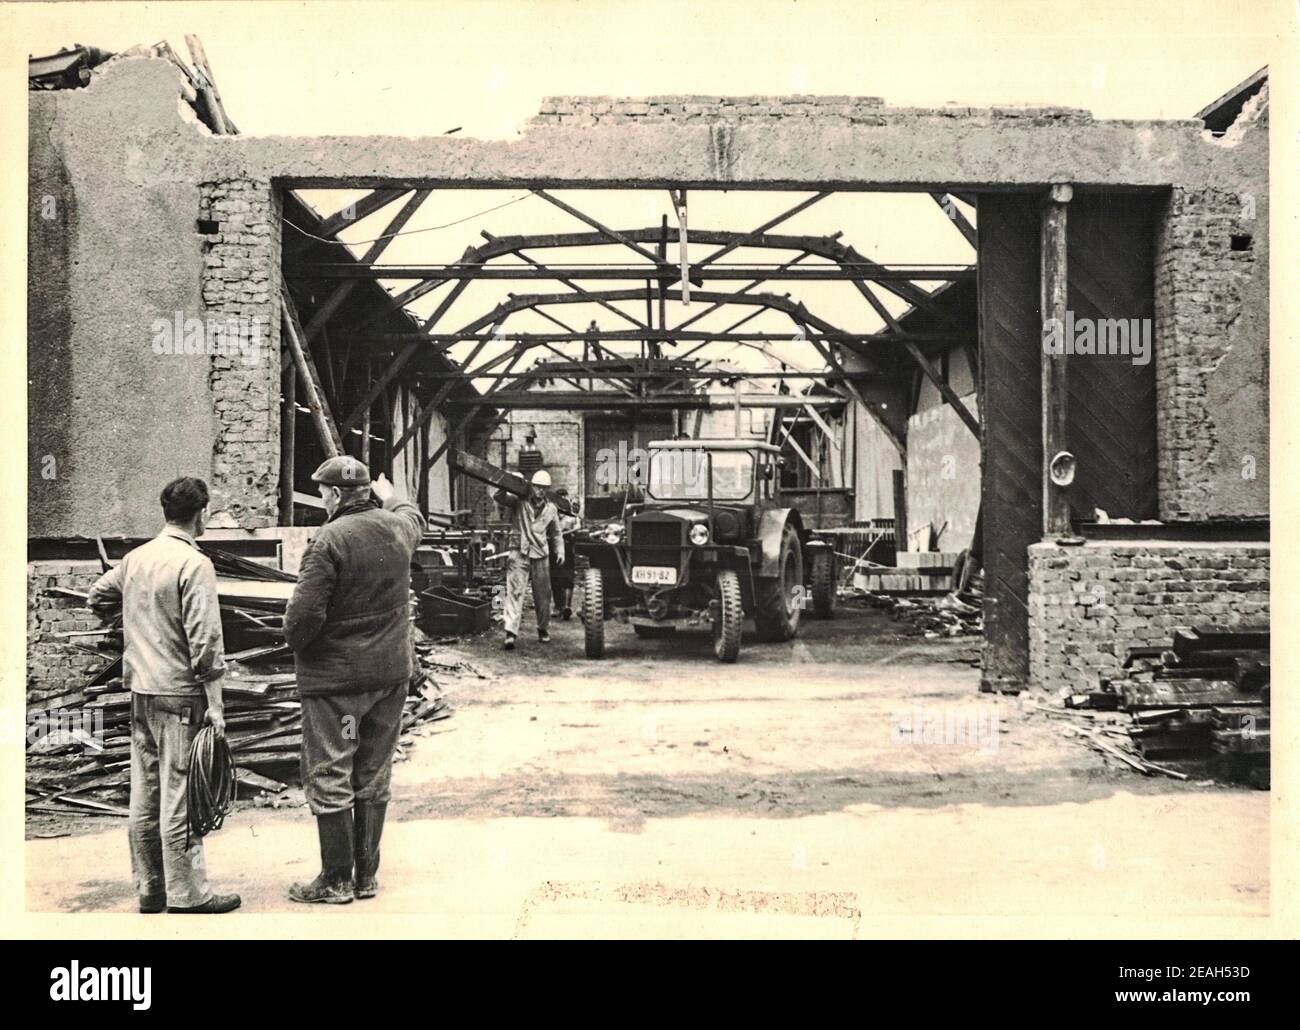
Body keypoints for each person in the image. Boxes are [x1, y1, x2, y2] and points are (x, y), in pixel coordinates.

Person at [87, 477, 240, 914]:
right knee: (180, 794)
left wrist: (133, 626)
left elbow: (97, 595)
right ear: (202, 513)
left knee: (145, 793)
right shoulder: (194, 564)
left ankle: (151, 890)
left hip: (141, 693)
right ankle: (188, 895)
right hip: (179, 695)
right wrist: (216, 705)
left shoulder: (137, 558)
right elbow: (207, 643)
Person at [283, 457, 425, 904]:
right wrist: (393, 496)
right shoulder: (399, 529)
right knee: (373, 769)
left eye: (324, 492)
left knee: (331, 768)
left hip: (338, 687)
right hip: (388, 679)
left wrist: (298, 644)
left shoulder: (328, 541)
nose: (322, 499)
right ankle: (366, 877)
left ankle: (336, 879)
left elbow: (302, 619)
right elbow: (411, 513)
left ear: (336, 495)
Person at [495, 469, 563, 650]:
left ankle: (543, 628)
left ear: (547, 490)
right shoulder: (519, 501)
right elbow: (499, 497)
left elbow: (556, 533)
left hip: (541, 554)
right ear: (531, 486)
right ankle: (510, 632)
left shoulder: (551, 509)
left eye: (543, 488)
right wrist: (508, 482)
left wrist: (560, 550)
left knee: (543, 595)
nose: (540, 490)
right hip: (519, 551)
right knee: (515, 591)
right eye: (537, 487)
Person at [550, 490, 581, 620]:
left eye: (565, 497)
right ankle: (558, 606)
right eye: (560, 498)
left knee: (568, 577)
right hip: (554, 549)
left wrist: (566, 533)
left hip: (568, 549)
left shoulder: (573, 517)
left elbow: (578, 527)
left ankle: (567, 606)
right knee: (555, 578)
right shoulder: (552, 515)